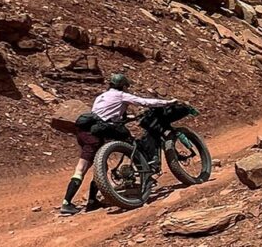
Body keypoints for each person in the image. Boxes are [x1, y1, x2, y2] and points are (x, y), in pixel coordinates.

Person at [61, 72, 176, 214]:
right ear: (123, 86)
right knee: (85, 168)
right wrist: (167, 102)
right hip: (95, 136)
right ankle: (67, 204)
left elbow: (105, 114)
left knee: (93, 167)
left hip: (83, 133)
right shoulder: (121, 95)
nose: (127, 89)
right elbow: (144, 102)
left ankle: (89, 201)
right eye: (126, 86)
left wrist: (130, 117)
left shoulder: (101, 97)